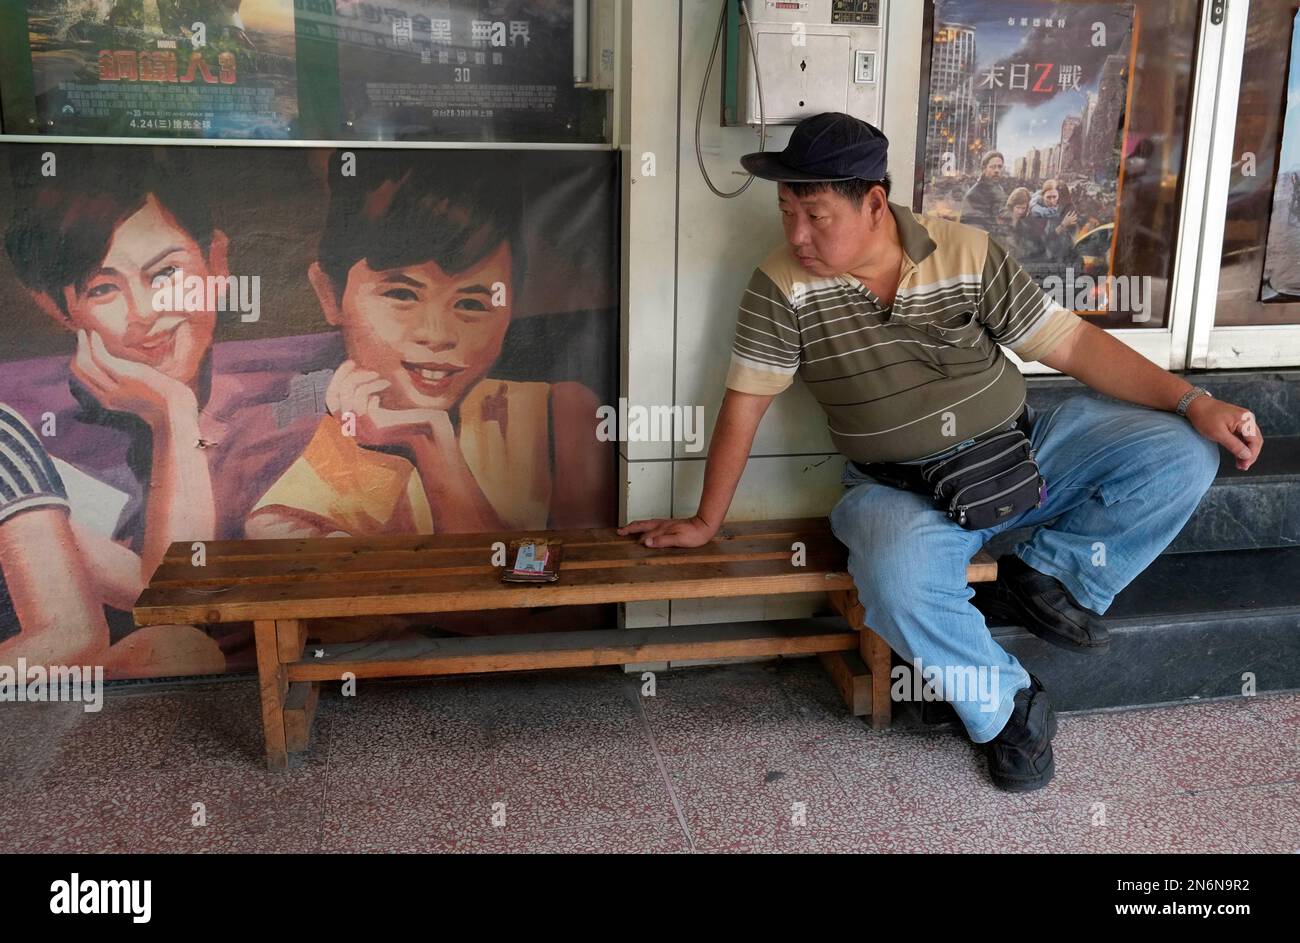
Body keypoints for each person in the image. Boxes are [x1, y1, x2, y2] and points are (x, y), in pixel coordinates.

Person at [618, 113, 1262, 792]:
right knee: (896, 582)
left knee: (1185, 452)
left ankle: (1043, 576)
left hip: (1020, 453)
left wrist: (1194, 400)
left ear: (874, 202)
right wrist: (704, 520)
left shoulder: (966, 253)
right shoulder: (782, 288)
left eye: (815, 213)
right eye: (786, 211)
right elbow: (744, 404)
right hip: (899, 489)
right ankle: (1011, 708)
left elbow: (1069, 344)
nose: (796, 234)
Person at [246, 152, 612, 538]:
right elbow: (462, 592)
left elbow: (573, 580)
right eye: (402, 294)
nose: (437, 335)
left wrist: (432, 444)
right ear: (330, 294)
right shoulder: (288, 515)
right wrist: (423, 439)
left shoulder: (562, 417)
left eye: (472, 303)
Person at [958, 151, 1008, 231]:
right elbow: (972, 228)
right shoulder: (974, 194)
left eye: (999, 167)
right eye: (992, 167)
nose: (997, 170)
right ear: (984, 169)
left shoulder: (999, 189)